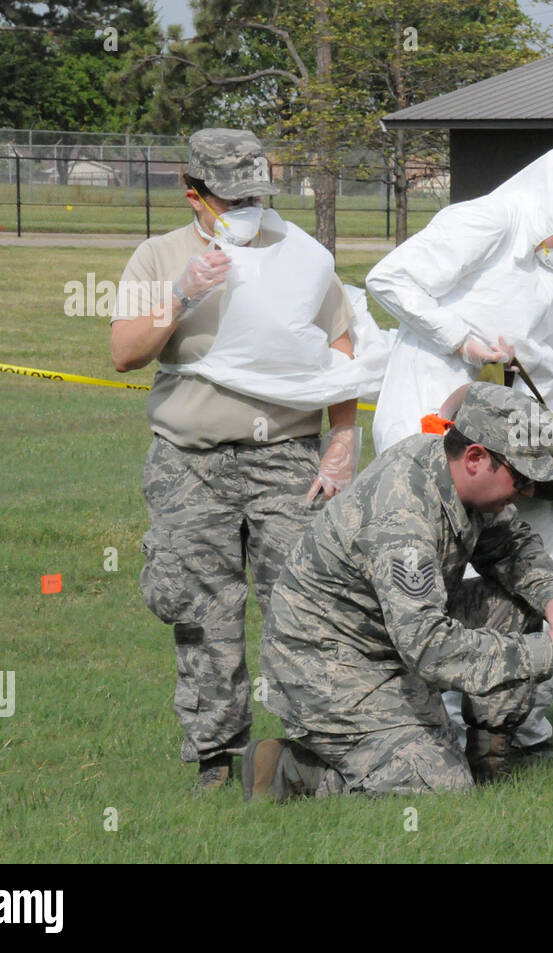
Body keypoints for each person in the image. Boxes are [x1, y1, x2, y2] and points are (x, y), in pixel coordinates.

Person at [110, 128, 360, 790]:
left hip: (285, 459)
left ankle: (307, 752)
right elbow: (124, 352)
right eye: (234, 195)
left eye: (258, 192)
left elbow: (340, 346)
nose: (250, 204)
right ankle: (215, 757)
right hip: (189, 463)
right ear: (194, 195)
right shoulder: (159, 256)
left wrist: (341, 443)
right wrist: (182, 294)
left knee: (303, 604)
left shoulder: (299, 255)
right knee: (200, 611)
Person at [366, 148, 553, 752]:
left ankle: (515, 727)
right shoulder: (488, 220)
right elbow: (389, 278)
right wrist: (465, 341)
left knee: (529, 563)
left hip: (509, 422)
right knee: (435, 572)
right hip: (432, 413)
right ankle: (440, 729)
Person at [246, 383, 553, 799]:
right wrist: (548, 652)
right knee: (436, 785)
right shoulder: (401, 519)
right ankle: (295, 769)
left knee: (517, 600)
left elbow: (510, 543)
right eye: (521, 480)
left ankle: (489, 754)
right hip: (330, 661)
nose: (526, 493)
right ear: (474, 458)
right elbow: (429, 648)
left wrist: (551, 596)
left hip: (388, 635)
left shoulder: (450, 472)